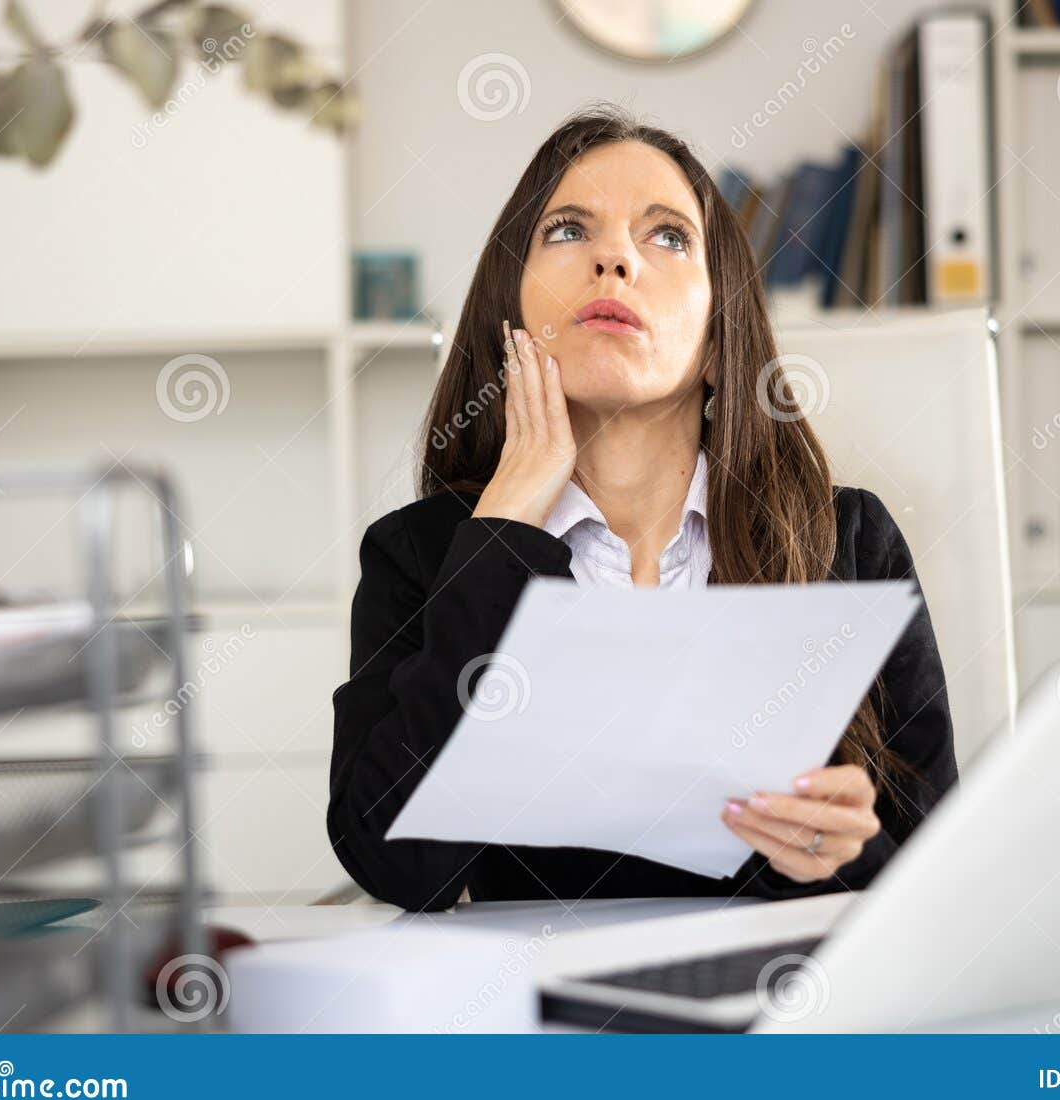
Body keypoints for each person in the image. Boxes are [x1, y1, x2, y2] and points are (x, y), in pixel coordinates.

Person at [327, 104, 956, 912]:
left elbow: (939, 871)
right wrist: (505, 525)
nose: (615, 258)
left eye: (667, 236)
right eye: (567, 231)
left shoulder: (849, 541)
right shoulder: (420, 554)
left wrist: (846, 852)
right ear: (508, 318)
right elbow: (394, 861)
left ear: (722, 338)